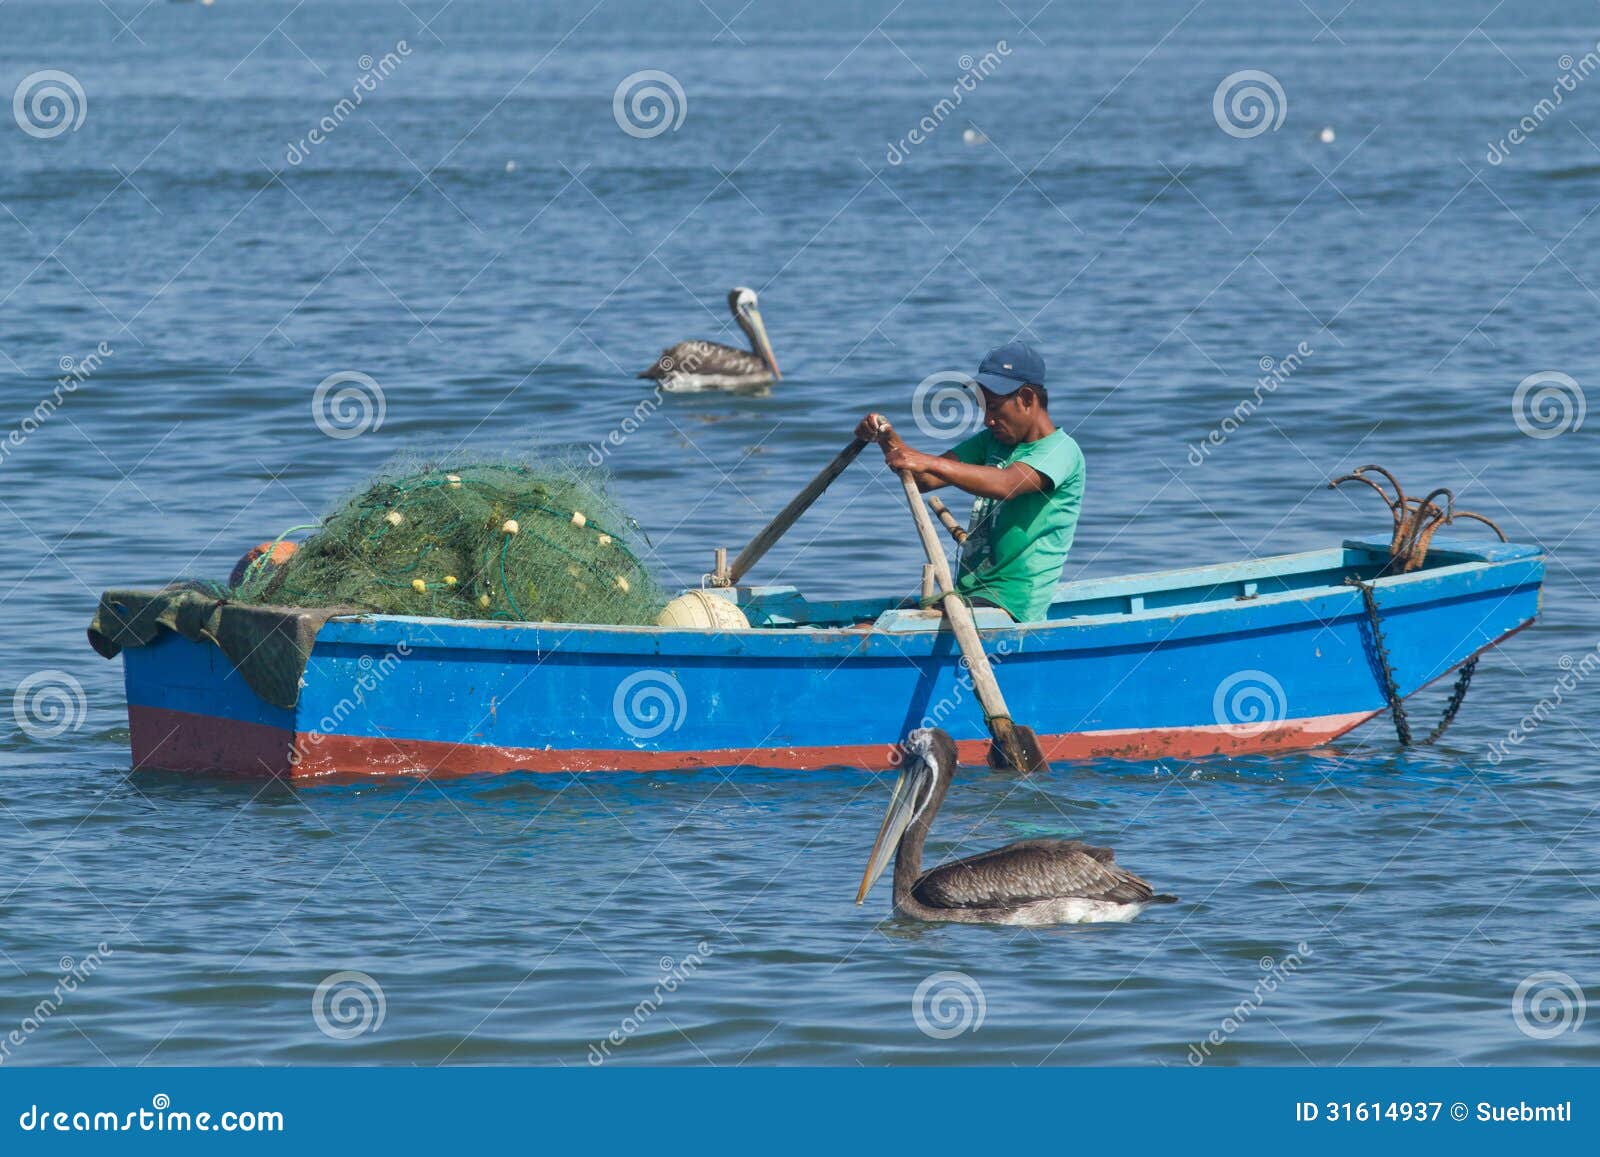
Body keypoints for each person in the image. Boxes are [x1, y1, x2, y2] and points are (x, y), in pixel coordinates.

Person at [856, 341, 1084, 623]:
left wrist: (928, 460)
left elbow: (1006, 484)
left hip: (1011, 604)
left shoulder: (1060, 451)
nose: (988, 420)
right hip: (969, 596)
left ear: (1026, 398)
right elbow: (924, 479)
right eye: (983, 409)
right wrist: (886, 439)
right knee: (873, 622)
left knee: (872, 629)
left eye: (995, 408)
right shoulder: (991, 442)